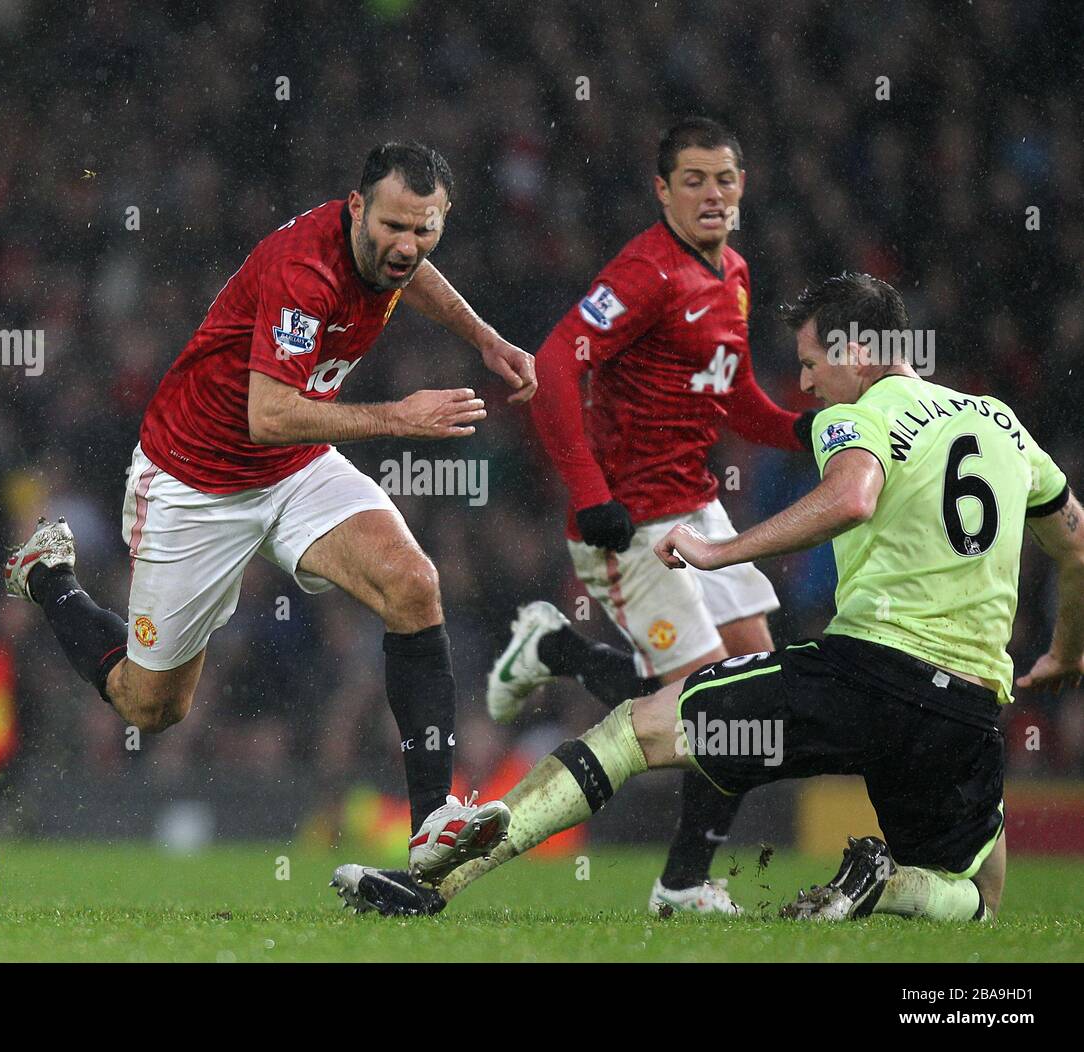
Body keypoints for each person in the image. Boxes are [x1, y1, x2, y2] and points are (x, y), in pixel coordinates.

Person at [334, 272, 1080, 921]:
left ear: (857, 352)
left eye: (814, 363)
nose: (810, 385)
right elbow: (1075, 544)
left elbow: (853, 497)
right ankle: (883, 888)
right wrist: (1064, 652)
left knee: (634, 731)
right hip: (969, 708)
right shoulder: (1002, 422)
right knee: (980, 897)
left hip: (866, 678)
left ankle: (437, 885)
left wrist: (720, 549)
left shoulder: (861, 415)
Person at [2, 142, 532, 871]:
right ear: (355, 209)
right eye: (394, 228)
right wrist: (399, 419)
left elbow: (414, 280)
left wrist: (484, 338)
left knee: (413, 584)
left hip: (295, 467)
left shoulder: (392, 253)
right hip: (195, 482)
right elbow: (268, 415)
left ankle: (433, 821)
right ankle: (48, 578)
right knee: (151, 706)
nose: (407, 245)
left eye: (425, 228)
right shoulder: (304, 270)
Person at [485, 117, 813, 913]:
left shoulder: (732, 271)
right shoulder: (646, 271)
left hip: (698, 509)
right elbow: (558, 359)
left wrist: (811, 429)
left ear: (742, 189)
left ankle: (681, 885)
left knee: (755, 703)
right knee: (704, 708)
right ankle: (557, 648)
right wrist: (591, 491)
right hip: (628, 523)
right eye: (692, 180)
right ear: (662, 190)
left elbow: (737, 399)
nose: (711, 193)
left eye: (723, 179)